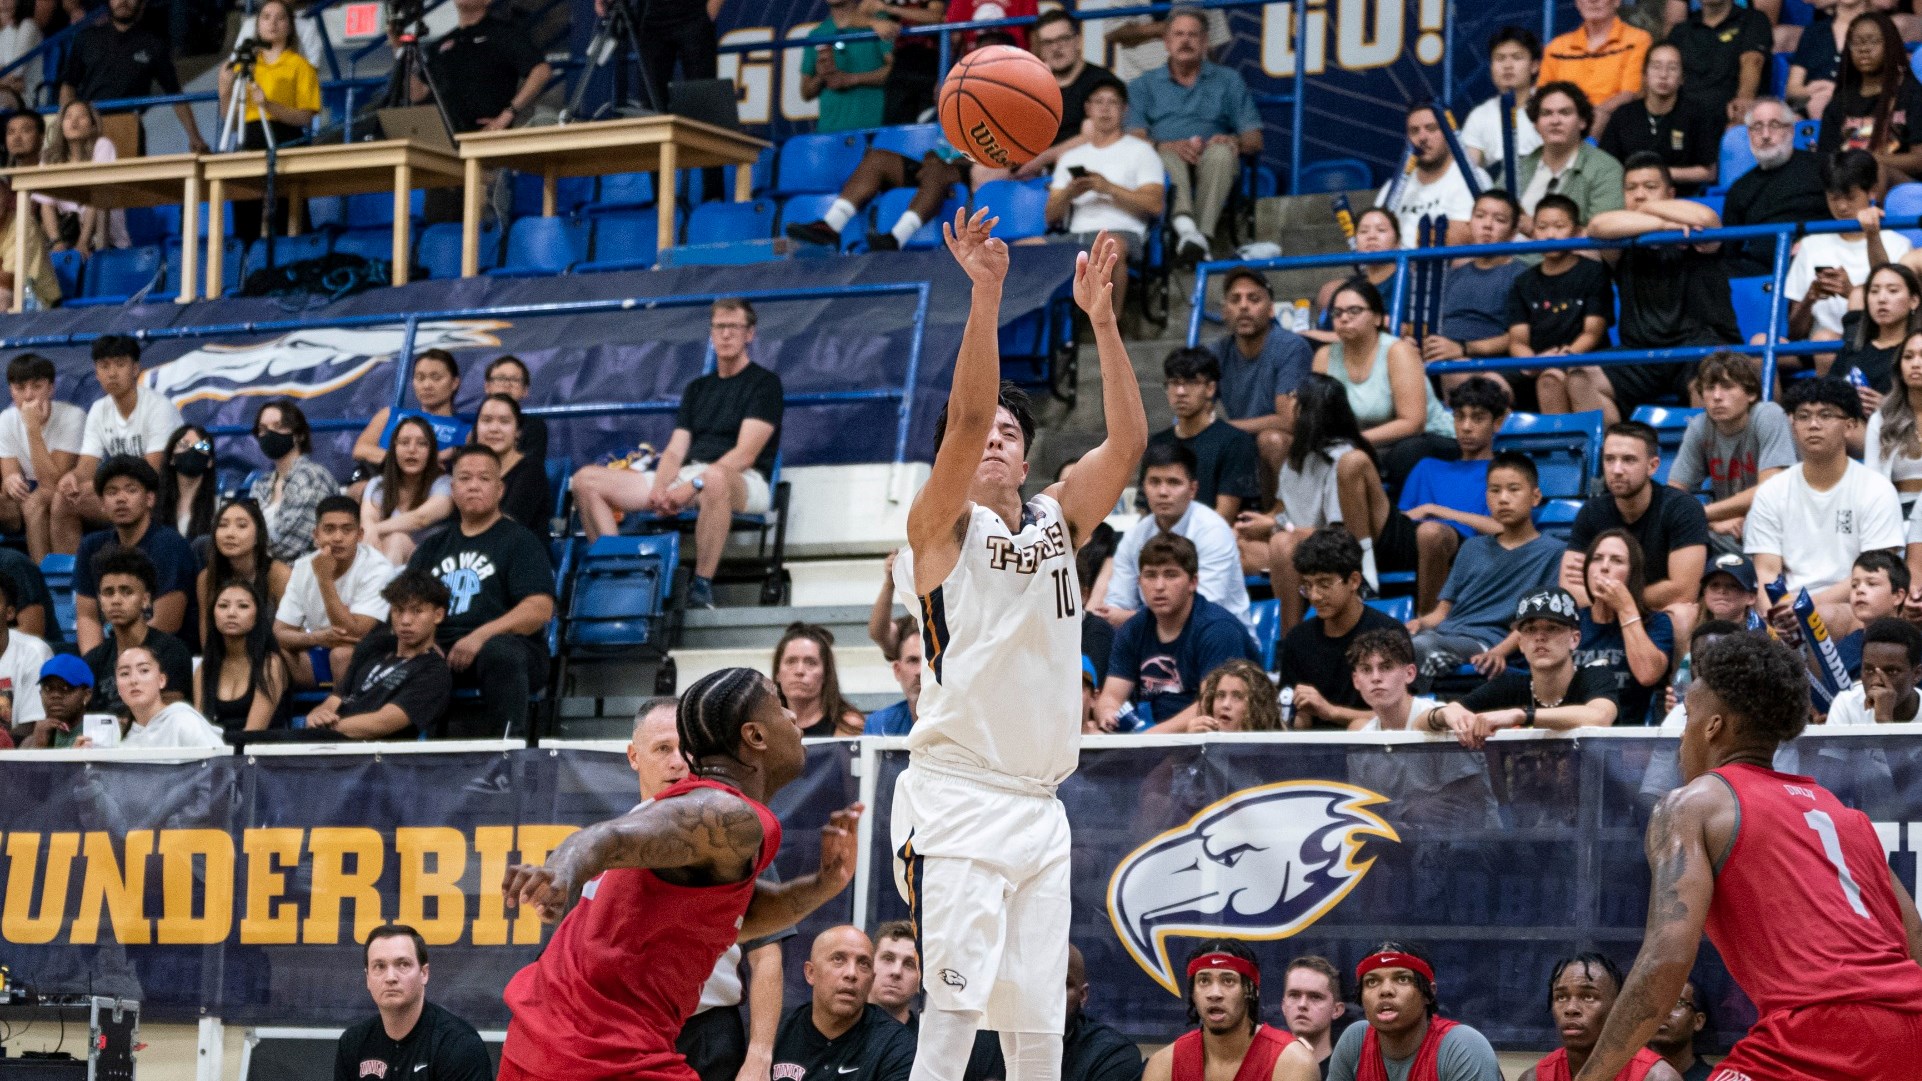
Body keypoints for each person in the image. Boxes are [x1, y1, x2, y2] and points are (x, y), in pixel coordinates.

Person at [888, 213, 1142, 1081]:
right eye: (982, 432)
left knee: (1038, 1027)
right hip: (956, 795)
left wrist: (1103, 324)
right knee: (953, 1011)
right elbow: (962, 421)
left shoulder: (1060, 521)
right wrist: (987, 294)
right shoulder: (937, 525)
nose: (993, 435)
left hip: (1041, 803)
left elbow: (1130, 444)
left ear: (1029, 459)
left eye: (1010, 431)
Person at [1570, 632, 1922, 1081]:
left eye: (1688, 720)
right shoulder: (1843, 815)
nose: (1682, 740)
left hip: (1820, 1029)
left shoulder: (1692, 804)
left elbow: (1666, 961)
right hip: (1911, 1028)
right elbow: (1915, 942)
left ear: (1712, 726)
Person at [499, 668, 862, 1081]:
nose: (794, 717)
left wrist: (824, 884)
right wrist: (561, 871)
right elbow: (607, 839)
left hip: (549, 1041)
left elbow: (736, 918)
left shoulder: (714, 820)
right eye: (779, 707)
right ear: (755, 737)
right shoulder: (727, 813)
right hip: (598, 1050)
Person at [609, 699, 796, 1081]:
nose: (677, 762)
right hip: (624, 1032)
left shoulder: (736, 838)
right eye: (663, 749)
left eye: (686, 750)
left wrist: (759, 1055)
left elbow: (765, 957)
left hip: (707, 1033)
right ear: (634, 756)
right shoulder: (609, 845)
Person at [572, 298, 782, 609]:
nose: (725, 335)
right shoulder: (696, 388)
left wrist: (688, 487)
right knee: (584, 480)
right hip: (691, 474)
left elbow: (744, 456)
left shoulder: (764, 384)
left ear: (749, 334)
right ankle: (618, 569)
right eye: (719, 327)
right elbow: (675, 449)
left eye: (734, 328)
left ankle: (701, 587)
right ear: (710, 333)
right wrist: (660, 490)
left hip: (742, 480)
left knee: (713, 477)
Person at [404, 445, 554, 738]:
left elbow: (539, 609)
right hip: (441, 647)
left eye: (484, 479)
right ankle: (394, 762)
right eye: (465, 478)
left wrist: (479, 637)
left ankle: (507, 755)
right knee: (386, 649)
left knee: (500, 653)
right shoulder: (430, 548)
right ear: (452, 488)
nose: (474, 485)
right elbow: (404, 606)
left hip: (508, 647)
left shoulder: (520, 541)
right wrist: (423, 640)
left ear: (500, 489)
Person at [1587, 154, 1740, 416]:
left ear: (1671, 193)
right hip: (1639, 351)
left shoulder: (1697, 235)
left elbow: (1707, 217)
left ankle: (1706, 457)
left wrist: (1647, 212)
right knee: (1582, 377)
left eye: (1650, 187)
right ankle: (1613, 455)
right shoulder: (1620, 245)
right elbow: (1597, 225)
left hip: (1697, 344)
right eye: (1631, 188)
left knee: (1712, 377)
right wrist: (1664, 223)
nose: (1639, 195)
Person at [1745, 376, 1905, 625]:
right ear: (1793, 425)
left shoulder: (1876, 489)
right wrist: (1774, 615)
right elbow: (1766, 570)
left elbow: (1876, 573)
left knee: (1823, 618)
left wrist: (1805, 607)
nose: (1814, 424)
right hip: (1787, 605)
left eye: (1826, 415)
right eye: (1804, 416)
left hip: (1851, 606)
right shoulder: (1771, 491)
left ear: (1850, 425)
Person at [1240, 376, 1392, 619]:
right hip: (1290, 541)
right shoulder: (1296, 457)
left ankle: (1286, 638)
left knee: (1282, 545)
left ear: (1309, 410)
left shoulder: (1343, 458)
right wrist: (1255, 524)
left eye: (1293, 397)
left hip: (1323, 550)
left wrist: (1275, 525)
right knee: (1228, 544)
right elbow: (1281, 508)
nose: (1286, 402)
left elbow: (1338, 533)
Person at [1407, 452, 1565, 680]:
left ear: (1535, 496)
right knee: (1384, 645)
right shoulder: (1471, 547)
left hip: (1484, 643)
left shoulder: (1554, 552)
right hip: (1445, 634)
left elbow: (1536, 619)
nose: (1503, 499)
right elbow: (1441, 613)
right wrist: (1419, 623)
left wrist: (1499, 652)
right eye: (1495, 490)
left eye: (1513, 489)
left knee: (1416, 650)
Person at [1123, 7, 1262, 262]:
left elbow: (1254, 139)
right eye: (1178, 34)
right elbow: (1134, 138)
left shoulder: (1228, 80)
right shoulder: (1143, 85)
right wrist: (1165, 145)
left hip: (1211, 154)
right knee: (1160, 156)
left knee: (1222, 152)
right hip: (1165, 154)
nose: (1185, 41)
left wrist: (1234, 141)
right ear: (1166, 42)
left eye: (1193, 35)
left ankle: (1198, 237)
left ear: (1205, 41)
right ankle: (1187, 230)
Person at [1095, 533, 1258, 731]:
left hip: (1210, 738)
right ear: (1139, 582)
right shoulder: (1133, 628)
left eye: (1171, 575)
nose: (1159, 586)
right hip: (1151, 735)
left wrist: (1149, 738)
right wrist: (1107, 714)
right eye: (1150, 575)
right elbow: (1111, 696)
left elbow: (1211, 705)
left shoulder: (1219, 630)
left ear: (1193, 582)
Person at [1429, 589, 1620, 748]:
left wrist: (1522, 715)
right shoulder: (1509, 685)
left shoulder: (1595, 675)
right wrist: (1443, 713)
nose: (1540, 637)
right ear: (1520, 643)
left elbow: (1599, 716)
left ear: (1574, 639)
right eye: (1530, 630)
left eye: (1552, 628)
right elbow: (1419, 722)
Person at [1313, 280, 1455, 492]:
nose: (1344, 318)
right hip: (1364, 444)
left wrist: (1353, 441)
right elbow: (1320, 418)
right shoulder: (1324, 356)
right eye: (1337, 313)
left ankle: (1404, 520)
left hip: (1427, 438)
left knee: (1407, 452)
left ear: (1378, 318)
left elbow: (1413, 423)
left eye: (1354, 311)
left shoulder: (1397, 352)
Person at [1562, 422, 1710, 624]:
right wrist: (1617, 601)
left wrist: (1617, 599)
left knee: (1682, 614)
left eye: (1628, 460)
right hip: (1604, 617)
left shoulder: (1682, 508)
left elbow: (1683, 591)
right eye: (1609, 459)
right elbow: (1569, 588)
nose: (1617, 469)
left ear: (1653, 466)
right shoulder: (1591, 511)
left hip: (1657, 616)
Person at [1102, 441, 1253, 631]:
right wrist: (1117, 616)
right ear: (1144, 487)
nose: (1163, 492)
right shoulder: (1135, 535)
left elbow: (1203, 609)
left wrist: (1129, 618)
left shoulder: (1213, 531)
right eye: (1154, 482)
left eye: (1173, 482)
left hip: (1220, 638)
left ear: (1192, 489)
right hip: (1156, 638)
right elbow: (1117, 603)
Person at [56, 335, 184, 554]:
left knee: (104, 493)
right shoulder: (98, 409)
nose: (112, 373)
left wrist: (104, 486)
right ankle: (64, 579)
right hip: (125, 491)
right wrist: (73, 478)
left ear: (135, 369)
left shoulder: (159, 407)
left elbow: (152, 470)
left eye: (120, 364)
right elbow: (87, 465)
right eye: (104, 366)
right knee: (64, 498)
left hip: (161, 494)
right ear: (96, 373)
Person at [1044, 77, 1164, 313]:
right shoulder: (1071, 157)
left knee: (1112, 247)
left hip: (1123, 234)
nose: (1105, 108)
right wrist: (1069, 192)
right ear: (1088, 108)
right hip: (1076, 236)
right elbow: (1051, 217)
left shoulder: (1141, 151)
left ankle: (1111, 326)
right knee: (1020, 249)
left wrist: (1106, 187)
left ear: (1124, 110)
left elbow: (1154, 205)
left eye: (1113, 102)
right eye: (1099, 102)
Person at [1395, 378, 1510, 613]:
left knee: (1431, 531)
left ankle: (1427, 622)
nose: (1466, 427)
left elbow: (1504, 529)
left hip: (1477, 555)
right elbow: (1403, 522)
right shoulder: (1427, 468)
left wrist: (1437, 510)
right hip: (1417, 552)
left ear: (1497, 423)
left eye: (1477, 418)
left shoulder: (1502, 473)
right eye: (1459, 417)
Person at [1273, 529, 1407, 729]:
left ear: (1354, 581)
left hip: (1374, 749)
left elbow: (1402, 717)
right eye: (1308, 586)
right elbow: (1295, 716)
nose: (1315, 596)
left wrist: (1330, 711)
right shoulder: (1298, 640)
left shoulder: (1388, 634)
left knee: (1359, 727)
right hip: (1314, 753)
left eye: (1324, 584)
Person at [1665, 352, 1796, 550]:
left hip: (1781, 525)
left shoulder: (1767, 415)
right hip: (1727, 529)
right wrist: (1714, 523)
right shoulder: (1700, 426)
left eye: (1727, 387)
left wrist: (1702, 515)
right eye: (1710, 388)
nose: (1717, 397)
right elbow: (1673, 495)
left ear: (1751, 394)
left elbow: (1770, 490)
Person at [300, 569, 451, 741]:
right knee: (263, 741)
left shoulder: (434, 672)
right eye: (398, 610)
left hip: (368, 755)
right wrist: (316, 716)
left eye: (417, 611)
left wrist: (326, 729)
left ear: (438, 615)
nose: (405, 621)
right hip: (326, 740)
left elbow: (382, 723)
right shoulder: (374, 648)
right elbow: (334, 700)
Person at [216, 0, 318, 242]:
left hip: (285, 139)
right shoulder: (246, 66)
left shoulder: (300, 67)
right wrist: (225, 92)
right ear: (257, 25)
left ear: (290, 26)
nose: (272, 23)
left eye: (280, 18)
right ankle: (250, 263)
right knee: (245, 208)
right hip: (249, 139)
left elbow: (305, 116)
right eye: (266, 17)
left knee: (288, 213)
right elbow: (231, 122)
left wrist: (268, 106)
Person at [1141, 942, 1318, 1081]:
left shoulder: (1291, 1062)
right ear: (1193, 993)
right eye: (1204, 981)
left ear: (1251, 990)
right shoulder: (1164, 1065)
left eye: (1228, 981)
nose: (1214, 994)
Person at [72, 455, 196, 654]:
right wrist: (96, 664)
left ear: (149, 499)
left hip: (166, 655)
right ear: (102, 503)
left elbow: (167, 622)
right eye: (112, 492)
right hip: (114, 655)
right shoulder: (91, 547)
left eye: (131, 490)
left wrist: (126, 662)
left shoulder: (169, 544)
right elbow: (87, 616)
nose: (121, 498)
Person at [1324, 943, 1502, 1081]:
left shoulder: (1462, 1046)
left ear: (1429, 993)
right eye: (1372, 982)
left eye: (1402, 979)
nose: (1385, 990)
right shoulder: (1355, 1041)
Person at [335, 925, 491, 1081]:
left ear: (424, 974)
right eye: (379, 966)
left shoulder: (459, 1045)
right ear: (368, 978)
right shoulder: (353, 1043)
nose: (390, 977)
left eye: (403, 964)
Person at [1786, 150, 1908, 345]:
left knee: (1823, 340)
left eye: (1850, 197)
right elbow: (1794, 333)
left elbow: (1900, 320)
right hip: (1818, 345)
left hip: (1875, 345)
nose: (1842, 207)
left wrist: (1852, 293)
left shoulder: (1898, 244)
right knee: (1762, 342)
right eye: (1834, 198)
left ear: (1871, 192)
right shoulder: (1810, 246)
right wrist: (1810, 298)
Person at [55, 0, 209, 154]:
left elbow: (175, 93)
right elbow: (68, 85)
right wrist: (65, 122)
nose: (123, 2)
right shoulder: (86, 38)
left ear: (142, 4)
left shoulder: (153, 44)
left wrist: (194, 137)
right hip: (90, 127)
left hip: (130, 126)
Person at [276, 494, 398, 688]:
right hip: (319, 651)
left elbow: (352, 634)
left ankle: (343, 712)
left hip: (367, 657)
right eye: (329, 529)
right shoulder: (303, 567)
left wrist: (325, 580)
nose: (337, 538)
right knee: (273, 656)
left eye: (347, 529)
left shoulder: (378, 568)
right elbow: (280, 633)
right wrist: (315, 638)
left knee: (341, 654)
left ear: (360, 535)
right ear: (316, 535)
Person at [1508, 195, 1616, 409]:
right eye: (1542, 227)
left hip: (1585, 361)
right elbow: (1518, 340)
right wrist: (1534, 362)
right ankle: (1557, 443)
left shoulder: (1593, 273)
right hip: (1538, 365)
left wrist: (1566, 356)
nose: (1550, 234)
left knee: (1556, 377)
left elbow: (1592, 332)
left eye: (1559, 226)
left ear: (1576, 232)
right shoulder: (1523, 282)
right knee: (1549, 377)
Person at [770, 925, 917, 1081]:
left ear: (871, 980)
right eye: (838, 959)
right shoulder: (775, 1033)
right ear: (810, 973)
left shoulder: (896, 1045)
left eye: (863, 963)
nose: (851, 973)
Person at [1210, 268, 1312, 482]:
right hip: (1240, 444)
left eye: (1254, 299)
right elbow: (1197, 408)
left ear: (1271, 309)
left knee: (1270, 440)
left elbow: (1288, 421)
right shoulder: (1216, 352)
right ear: (1224, 311)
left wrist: (1221, 428)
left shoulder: (1291, 347)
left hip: (1294, 446)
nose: (1244, 306)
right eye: (1235, 300)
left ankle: (1279, 514)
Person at [1518, 954, 1679, 1081]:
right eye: (1561, 997)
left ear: (1617, 1008)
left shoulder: (1656, 1077)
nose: (1571, 1009)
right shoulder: (1535, 1078)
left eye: (1588, 997)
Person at [1573, 529, 1676, 726]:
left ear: (1633, 573)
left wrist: (1626, 609)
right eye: (1596, 559)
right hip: (1574, 731)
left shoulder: (1656, 622)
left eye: (1617, 561)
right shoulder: (1571, 620)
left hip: (1628, 736)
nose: (1604, 567)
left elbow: (1647, 675)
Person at [1142, 350, 1260, 520]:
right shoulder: (1157, 443)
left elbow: (1225, 514)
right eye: (1174, 383)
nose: (1180, 392)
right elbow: (1146, 510)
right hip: (1165, 539)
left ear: (1210, 388)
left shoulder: (1235, 441)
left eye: (1191, 382)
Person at [1002, 12, 1119, 181]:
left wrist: (1040, 160)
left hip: (1081, 169)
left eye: (1063, 39)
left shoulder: (1100, 81)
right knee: (983, 171)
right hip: (1030, 164)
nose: (1056, 48)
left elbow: (1092, 136)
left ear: (1077, 41)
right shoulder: (1031, 84)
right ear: (1040, 48)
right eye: (1048, 42)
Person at [1421, 193, 1528, 375]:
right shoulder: (1453, 274)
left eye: (1499, 220)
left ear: (1513, 231)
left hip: (1491, 366)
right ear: (1470, 223)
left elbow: (1519, 338)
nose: (1487, 225)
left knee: (1456, 369)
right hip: (1442, 358)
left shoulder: (1521, 275)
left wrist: (1463, 348)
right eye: (1479, 216)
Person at [1721, 98, 1829, 278]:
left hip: (1819, 263)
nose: (1765, 134)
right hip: (1762, 273)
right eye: (1757, 127)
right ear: (1749, 134)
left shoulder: (1823, 167)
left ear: (1791, 130)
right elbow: (1730, 250)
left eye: (1774, 125)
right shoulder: (1739, 189)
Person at [82, 547, 195, 716]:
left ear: (145, 600)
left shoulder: (171, 651)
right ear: (100, 601)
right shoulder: (94, 660)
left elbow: (170, 712)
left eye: (127, 592)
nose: (116, 600)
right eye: (108, 592)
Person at [1595, 45, 1720, 195]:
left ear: (1682, 78)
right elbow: (1606, 166)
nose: (1663, 74)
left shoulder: (1697, 115)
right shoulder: (1623, 115)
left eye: (1672, 68)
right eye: (1656, 67)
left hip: (1680, 199)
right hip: (1631, 198)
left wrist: (1658, 175)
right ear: (1644, 75)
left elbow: (1708, 172)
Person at [1814, 10, 1922, 182]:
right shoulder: (1840, 102)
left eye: (1873, 41)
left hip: (1903, 190)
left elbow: (1919, 160)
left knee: (1877, 171)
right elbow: (1826, 158)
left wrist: (1869, 161)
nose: (1864, 48)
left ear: (1890, 45)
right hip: (1849, 186)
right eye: (1856, 43)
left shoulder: (1912, 95)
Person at [417, 0, 550, 138]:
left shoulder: (502, 33)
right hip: (446, 137)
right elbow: (419, 92)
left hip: (486, 137)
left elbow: (541, 71)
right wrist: (399, 47)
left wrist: (507, 115)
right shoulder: (443, 43)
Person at [0, 351, 84, 563]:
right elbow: (10, 472)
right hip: (28, 494)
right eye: (20, 388)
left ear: (51, 388)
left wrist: (32, 429)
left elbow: (52, 483)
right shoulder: (6, 419)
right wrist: (10, 481)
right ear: (11, 391)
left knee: (36, 502)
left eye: (36, 387)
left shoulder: (73, 416)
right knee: (15, 499)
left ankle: (49, 576)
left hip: (66, 489)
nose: (28, 396)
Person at [1376, 102, 1493, 248]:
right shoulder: (1391, 187)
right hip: (1400, 268)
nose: (1422, 137)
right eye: (1414, 131)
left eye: (1431, 128)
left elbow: (1469, 235)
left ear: (1448, 134)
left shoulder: (1473, 177)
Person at [350, 350, 468, 486]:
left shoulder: (465, 431)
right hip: (380, 481)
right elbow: (360, 449)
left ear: (454, 382)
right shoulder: (390, 414)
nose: (427, 385)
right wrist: (423, 461)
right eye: (420, 378)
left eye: (436, 378)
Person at [1517, 84, 1625, 229]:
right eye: (1546, 113)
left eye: (1565, 113)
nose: (1555, 121)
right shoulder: (1519, 167)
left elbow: (1604, 238)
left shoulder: (1606, 169)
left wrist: (1534, 230)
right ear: (1536, 124)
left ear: (1582, 121)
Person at [248, 398, 339, 564]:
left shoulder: (313, 476)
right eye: (263, 429)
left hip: (301, 571)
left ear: (298, 435)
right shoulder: (260, 484)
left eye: (278, 426)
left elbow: (292, 544)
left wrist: (247, 550)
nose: (269, 434)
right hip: (260, 568)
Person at [197, 579, 289, 737]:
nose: (231, 613)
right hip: (216, 755)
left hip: (260, 756)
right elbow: (199, 729)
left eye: (243, 606)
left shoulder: (270, 664)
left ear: (257, 616)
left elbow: (253, 733)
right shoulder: (204, 667)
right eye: (223, 606)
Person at [196, 499, 291, 648]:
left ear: (258, 535)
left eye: (241, 526)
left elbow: (289, 636)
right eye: (222, 525)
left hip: (272, 658)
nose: (230, 533)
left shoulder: (279, 574)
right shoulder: (206, 578)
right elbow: (208, 640)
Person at [35, 100, 127, 254]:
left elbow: (96, 196)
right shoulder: (50, 156)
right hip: (67, 235)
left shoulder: (102, 145)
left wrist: (82, 243)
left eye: (82, 116)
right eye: (68, 117)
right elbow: (46, 204)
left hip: (105, 238)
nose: (74, 121)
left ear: (93, 126)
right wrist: (57, 243)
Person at [361, 417, 452, 565]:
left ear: (431, 451)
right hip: (386, 558)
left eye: (422, 444)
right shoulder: (378, 484)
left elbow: (421, 519)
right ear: (393, 449)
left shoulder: (445, 483)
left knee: (397, 539)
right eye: (404, 443)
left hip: (431, 564)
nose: (412, 450)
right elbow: (367, 521)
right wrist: (371, 530)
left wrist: (375, 529)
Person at [96, 645, 225, 749]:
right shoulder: (121, 740)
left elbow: (220, 770)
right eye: (124, 674)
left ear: (161, 680)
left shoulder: (183, 721)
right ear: (117, 687)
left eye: (144, 671)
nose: (133, 680)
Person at [1667, 0, 1769, 124]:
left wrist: (1744, 100)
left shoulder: (1753, 20)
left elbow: (1752, 60)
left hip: (1729, 113)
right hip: (1685, 117)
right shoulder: (1680, 31)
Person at [1460, 26, 1545, 170]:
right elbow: (1470, 172)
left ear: (1534, 66)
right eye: (1500, 58)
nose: (1507, 65)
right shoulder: (1479, 116)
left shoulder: (1551, 109)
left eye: (1517, 57)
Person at [801, 0, 891, 133]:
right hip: (829, 132)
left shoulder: (879, 24)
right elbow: (806, 92)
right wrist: (821, 76)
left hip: (874, 131)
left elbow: (896, 71)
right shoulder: (817, 34)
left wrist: (851, 79)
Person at [1835, 262, 1919, 400]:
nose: (1881, 299)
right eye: (1874, 291)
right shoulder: (1851, 349)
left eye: (1893, 291)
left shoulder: (1918, 352)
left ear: (1913, 301)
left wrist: (1887, 408)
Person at [471, 393, 550, 533]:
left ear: (518, 432)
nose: (494, 429)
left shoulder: (532, 470)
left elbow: (509, 525)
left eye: (504, 421)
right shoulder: (467, 470)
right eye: (487, 420)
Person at [1311, 211, 1400, 332]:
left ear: (1397, 242)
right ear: (1356, 243)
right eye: (1363, 231)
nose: (1371, 236)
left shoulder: (1409, 280)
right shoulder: (1349, 287)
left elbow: (1400, 329)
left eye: (1381, 230)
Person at [774, 621, 865, 737]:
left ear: (826, 674)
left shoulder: (848, 725)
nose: (799, 671)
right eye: (791, 661)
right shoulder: (764, 726)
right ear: (778, 673)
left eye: (810, 663)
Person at [1866, 328, 1922, 514]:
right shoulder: (1881, 418)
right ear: (1899, 366)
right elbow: (1873, 481)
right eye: (1908, 357)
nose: (1916, 364)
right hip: (1896, 514)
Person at [1826, 614, 1921, 723]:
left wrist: (1884, 719)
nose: (1876, 681)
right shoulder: (1847, 705)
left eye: (1891, 671)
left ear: (1917, 674)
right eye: (1869, 670)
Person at [1346, 630, 1441, 733]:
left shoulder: (1442, 716)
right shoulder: (1364, 733)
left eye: (1386, 667)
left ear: (1409, 673)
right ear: (1356, 681)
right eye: (1366, 669)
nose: (1375, 677)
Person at [1788, 0, 1868, 119]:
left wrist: (1835, 91)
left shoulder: (1879, 29)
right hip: (1811, 104)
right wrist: (1810, 91)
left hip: (1860, 105)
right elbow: (1792, 89)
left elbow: (1886, 83)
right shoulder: (1814, 32)